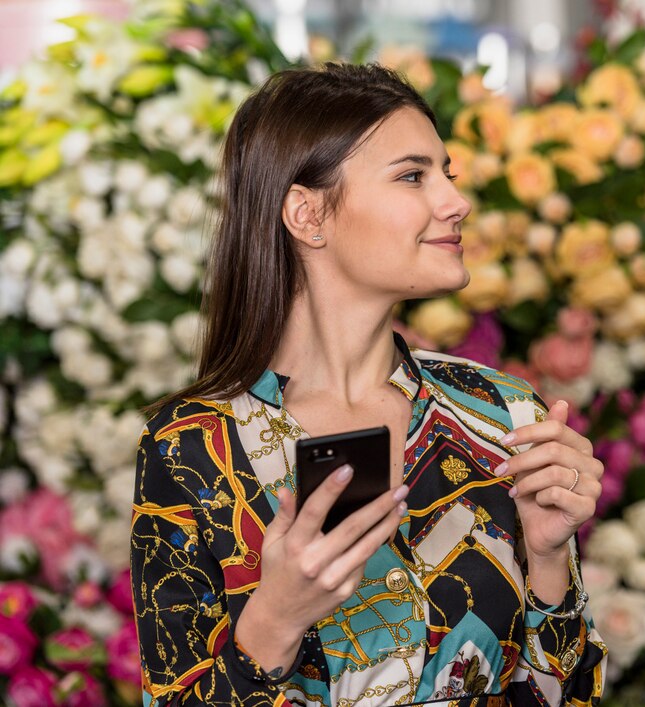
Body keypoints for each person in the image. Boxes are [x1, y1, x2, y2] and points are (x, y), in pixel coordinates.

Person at [130, 62, 607, 706]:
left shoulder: (502, 417)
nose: (455, 202)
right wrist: (274, 622)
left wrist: (549, 560)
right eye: (413, 175)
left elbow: (567, 698)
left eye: (447, 173)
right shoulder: (193, 446)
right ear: (307, 213)